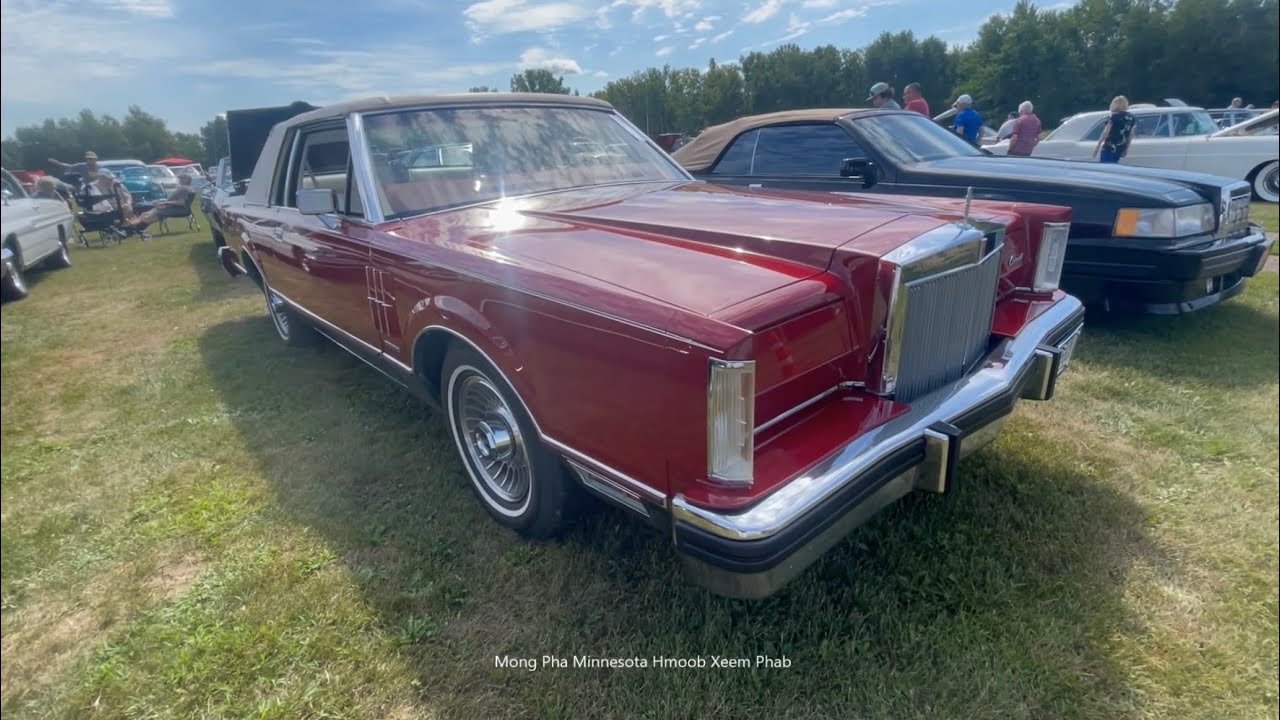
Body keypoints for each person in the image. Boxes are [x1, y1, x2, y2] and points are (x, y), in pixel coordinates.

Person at [128, 173, 195, 227]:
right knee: (145, 214)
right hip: (172, 208)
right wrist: (164, 202)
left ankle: (135, 226)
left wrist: (166, 203)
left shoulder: (183, 189)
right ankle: (133, 224)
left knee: (149, 215)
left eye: (181, 178)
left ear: (186, 180)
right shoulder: (188, 188)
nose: (179, 180)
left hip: (177, 210)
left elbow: (181, 202)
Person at [1093, 95, 1136, 163]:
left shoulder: (1114, 116)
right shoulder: (1132, 118)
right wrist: (1126, 149)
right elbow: (1131, 135)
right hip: (1120, 148)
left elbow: (1105, 133)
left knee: (1105, 168)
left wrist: (1097, 147)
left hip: (1109, 148)